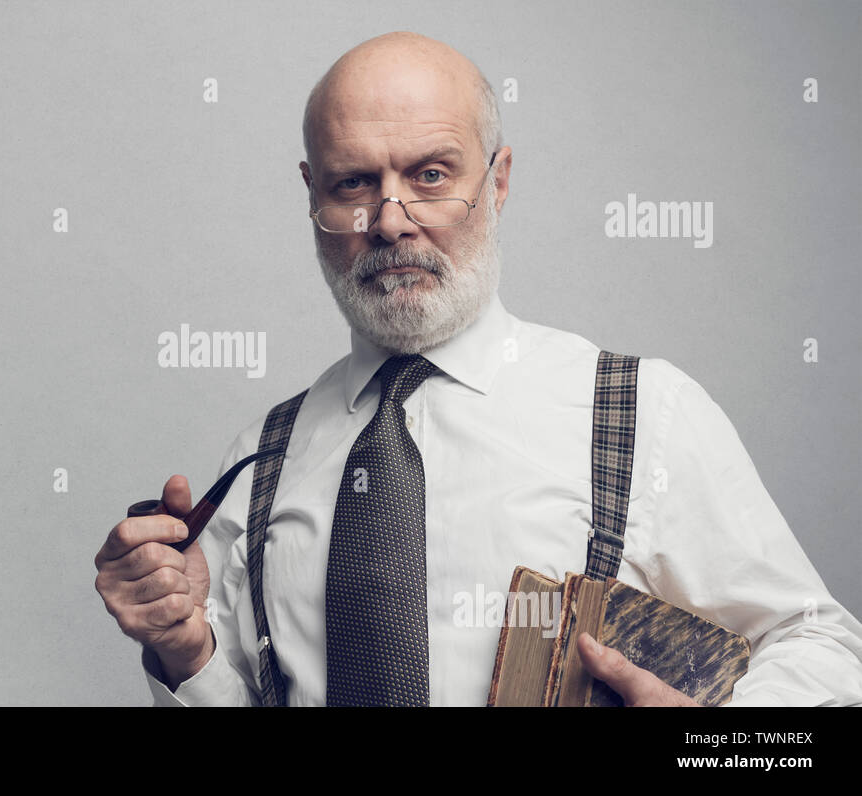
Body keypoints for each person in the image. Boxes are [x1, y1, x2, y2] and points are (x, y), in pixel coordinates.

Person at [93, 31, 862, 706]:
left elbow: (821, 646)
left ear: (496, 181)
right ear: (312, 196)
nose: (391, 221)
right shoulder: (263, 459)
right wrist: (186, 655)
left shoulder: (643, 413)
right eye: (354, 183)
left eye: (430, 174)